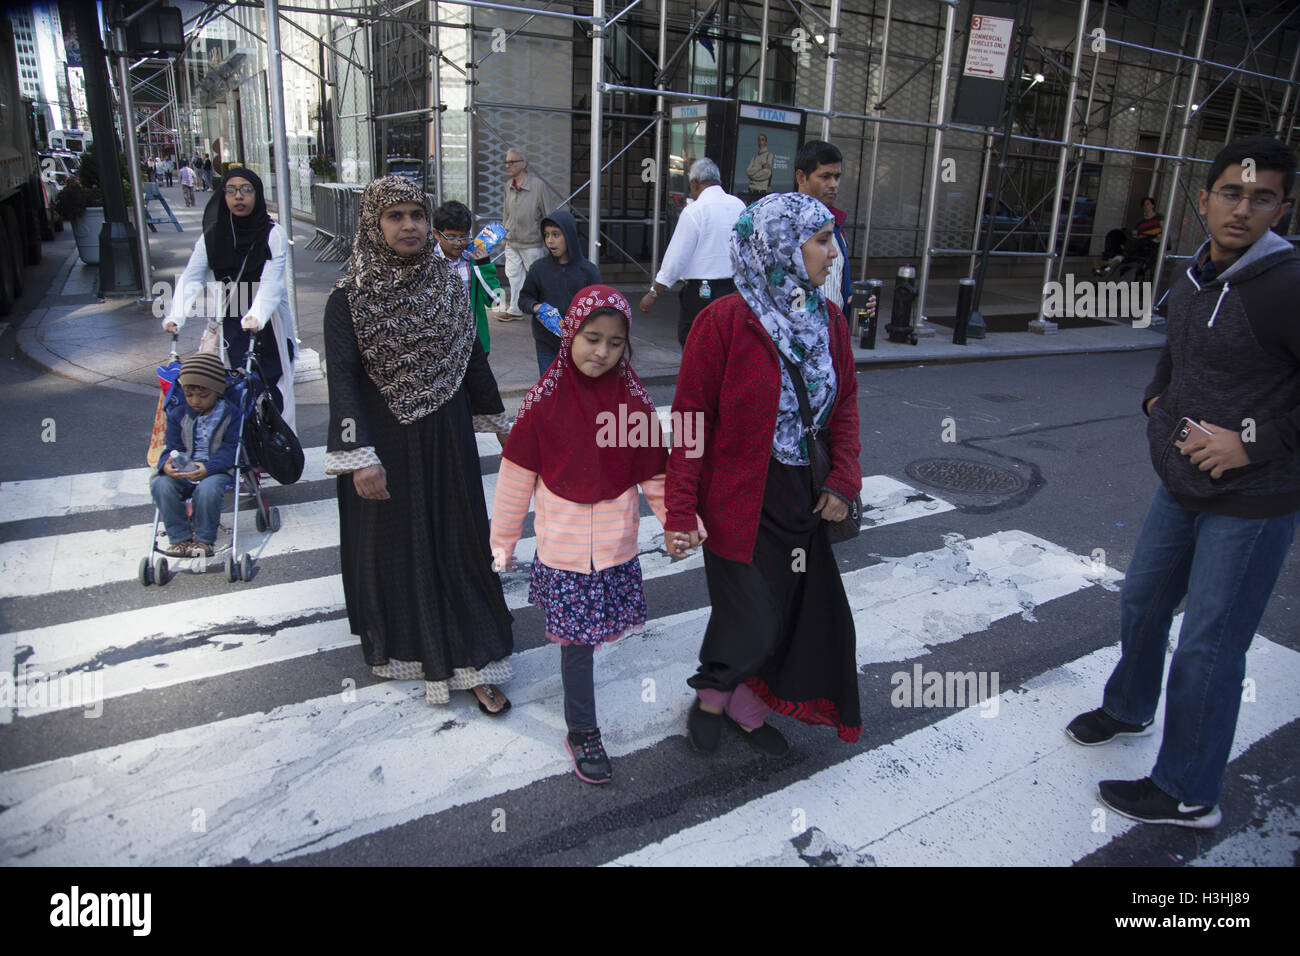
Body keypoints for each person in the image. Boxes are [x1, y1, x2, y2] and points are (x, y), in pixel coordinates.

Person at [1066, 135, 1300, 828]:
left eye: (1262, 199)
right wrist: (1155, 404)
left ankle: (1188, 790)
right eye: (1231, 193)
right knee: (1141, 601)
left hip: (1255, 501)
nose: (1243, 210)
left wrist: (1249, 444)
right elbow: (1175, 355)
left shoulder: (1288, 286)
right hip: (1182, 485)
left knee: (1209, 645)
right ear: (1204, 200)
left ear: (1283, 207)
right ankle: (1130, 707)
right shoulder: (1192, 275)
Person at [665, 192, 864, 755]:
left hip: (804, 496)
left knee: (794, 616)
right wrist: (681, 511)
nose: (834, 254)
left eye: (833, 240)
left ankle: (747, 708)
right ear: (778, 246)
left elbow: (844, 405)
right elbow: (691, 423)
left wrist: (842, 481)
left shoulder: (828, 321)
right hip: (738, 499)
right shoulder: (722, 322)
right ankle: (710, 695)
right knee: (750, 616)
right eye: (822, 241)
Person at [324, 176, 514, 714]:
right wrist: (359, 456)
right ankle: (409, 648)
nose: (409, 225)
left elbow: (473, 357)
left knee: (458, 542)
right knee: (395, 547)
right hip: (383, 444)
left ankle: (474, 659)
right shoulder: (349, 298)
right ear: (373, 224)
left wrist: (501, 425)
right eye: (395, 216)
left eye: (417, 215)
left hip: (447, 440)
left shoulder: (450, 285)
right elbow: (342, 379)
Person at [490, 285, 672, 784]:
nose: (603, 352)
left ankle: (581, 719)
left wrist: (677, 523)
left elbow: (654, 472)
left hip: (614, 550)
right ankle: (583, 729)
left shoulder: (632, 401)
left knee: (590, 639)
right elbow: (514, 480)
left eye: (616, 343)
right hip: (565, 552)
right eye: (592, 338)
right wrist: (503, 543)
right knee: (576, 644)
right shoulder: (543, 403)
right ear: (570, 334)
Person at [163, 167, 297, 432]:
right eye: (232, 190)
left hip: (267, 320)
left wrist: (256, 315)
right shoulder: (212, 236)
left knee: (272, 381)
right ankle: (245, 451)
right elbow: (191, 277)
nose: (239, 197)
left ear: (257, 194)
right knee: (236, 382)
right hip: (232, 313)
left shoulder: (273, 233)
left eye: (247, 190)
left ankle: (277, 448)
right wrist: (176, 315)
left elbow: (272, 284)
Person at [639, 158, 745, 347]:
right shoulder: (738, 206)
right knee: (726, 343)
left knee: (694, 343)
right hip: (733, 289)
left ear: (695, 183)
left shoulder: (695, 211)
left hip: (701, 294)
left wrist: (654, 292)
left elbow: (676, 258)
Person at [151, 352, 239, 559]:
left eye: (202, 395)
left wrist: (209, 468)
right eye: (189, 395)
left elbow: (232, 448)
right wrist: (166, 465)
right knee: (160, 484)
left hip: (215, 469)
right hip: (184, 469)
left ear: (217, 391)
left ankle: (203, 540)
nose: (195, 401)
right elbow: (171, 446)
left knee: (208, 490)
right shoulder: (178, 414)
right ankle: (180, 539)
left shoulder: (230, 414)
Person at [519, 209, 601, 376]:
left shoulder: (588, 271)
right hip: (547, 345)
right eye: (547, 235)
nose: (550, 241)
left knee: (579, 393)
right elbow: (524, 299)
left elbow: (600, 308)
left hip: (581, 345)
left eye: (556, 234)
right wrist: (536, 307)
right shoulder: (539, 268)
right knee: (551, 393)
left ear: (569, 235)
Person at [431, 200, 501, 356]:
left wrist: (485, 266)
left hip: (473, 343)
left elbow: (496, 299)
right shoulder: (428, 262)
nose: (458, 243)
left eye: (464, 237)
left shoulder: (473, 261)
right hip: (439, 345)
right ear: (437, 234)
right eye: (452, 237)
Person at [496, 148, 556, 320]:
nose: (508, 165)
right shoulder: (508, 186)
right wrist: (503, 235)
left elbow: (548, 213)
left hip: (532, 241)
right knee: (513, 276)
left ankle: (545, 310)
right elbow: (506, 213)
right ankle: (515, 309)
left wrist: (549, 237)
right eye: (506, 162)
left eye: (511, 162)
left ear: (523, 164)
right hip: (512, 240)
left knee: (538, 277)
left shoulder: (538, 185)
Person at [794, 140, 855, 313]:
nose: (833, 184)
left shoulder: (837, 226)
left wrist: (854, 306)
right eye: (825, 176)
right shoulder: (782, 226)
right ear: (801, 177)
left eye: (837, 177)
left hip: (831, 332)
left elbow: (837, 288)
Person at [1093, 196, 1163, 276]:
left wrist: (1160, 235)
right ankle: (1109, 264)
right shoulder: (1141, 221)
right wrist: (1134, 233)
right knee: (1127, 252)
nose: (1146, 206)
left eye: (1148, 204)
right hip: (1141, 243)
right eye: (1144, 205)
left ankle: (1109, 264)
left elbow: (1163, 229)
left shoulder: (1158, 217)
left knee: (1130, 252)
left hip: (1151, 244)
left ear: (1152, 206)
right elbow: (1135, 232)